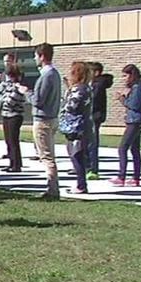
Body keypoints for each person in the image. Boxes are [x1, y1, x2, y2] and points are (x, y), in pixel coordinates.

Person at [20, 43, 62, 200]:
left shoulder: (46, 75)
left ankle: (53, 190)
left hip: (43, 120)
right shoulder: (55, 74)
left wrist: (26, 92)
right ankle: (52, 188)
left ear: (42, 56)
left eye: (36, 55)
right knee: (49, 155)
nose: (34, 58)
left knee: (47, 157)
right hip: (52, 118)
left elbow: (38, 100)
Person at [112, 64, 141, 187]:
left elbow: (134, 105)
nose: (123, 78)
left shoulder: (138, 87)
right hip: (137, 120)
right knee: (134, 149)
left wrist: (122, 98)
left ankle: (121, 176)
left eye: (125, 76)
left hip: (135, 121)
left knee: (122, 148)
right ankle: (135, 178)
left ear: (132, 75)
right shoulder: (137, 87)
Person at [60, 61, 93, 195]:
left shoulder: (79, 89)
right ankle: (81, 183)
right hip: (82, 126)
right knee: (77, 154)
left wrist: (65, 97)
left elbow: (71, 106)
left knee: (76, 155)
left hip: (76, 127)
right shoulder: (86, 88)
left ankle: (81, 185)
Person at [0, 56, 27, 172]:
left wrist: (4, 97)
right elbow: (0, 96)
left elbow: (10, 101)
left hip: (15, 115)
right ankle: (11, 162)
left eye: (10, 75)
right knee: (8, 140)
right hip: (6, 114)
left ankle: (16, 165)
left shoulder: (18, 87)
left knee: (14, 140)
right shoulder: (8, 85)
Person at [87, 62, 114, 179]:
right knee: (86, 143)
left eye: (89, 71)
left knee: (92, 143)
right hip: (90, 116)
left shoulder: (98, 84)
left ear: (96, 72)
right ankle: (86, 166)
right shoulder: (93, 84)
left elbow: (93, 100)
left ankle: (93, 168)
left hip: (95, 116)